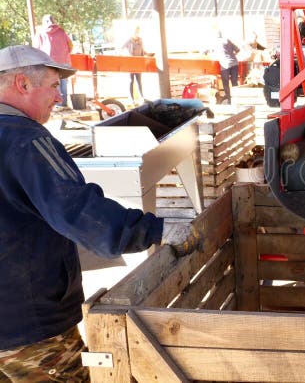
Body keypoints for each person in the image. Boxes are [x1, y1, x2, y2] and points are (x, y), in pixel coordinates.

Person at [0, 45, 203, 381]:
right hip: (30, 326)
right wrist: (156, 230)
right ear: (22, 83)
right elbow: (77, 209)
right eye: (53, 86)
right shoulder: (27, 142)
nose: (60, 97)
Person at [33, 14, 72, 108]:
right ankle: (64, 104)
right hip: (64, 60)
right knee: (64, 82)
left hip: (49, 62)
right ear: (53, 21)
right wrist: (66, 53)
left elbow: (36, 49)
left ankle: (57, 104)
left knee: (54, 83)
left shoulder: (40, 33)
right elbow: (70, 44)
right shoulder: (61, 31)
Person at [212, 30, 240, 104]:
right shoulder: (227, 40)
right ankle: (236, 100)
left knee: (225, 83)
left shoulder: (215, 42)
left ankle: (230, 101)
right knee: (234, 82)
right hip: (235, 63)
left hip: (225, 65)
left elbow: (206, 51)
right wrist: (231, 54)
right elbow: (237, 49)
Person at [121, 26, 146, 101]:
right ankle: (132, 98)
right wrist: (125, 57)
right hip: (130, 63)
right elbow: (121, 48)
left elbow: (143, 51)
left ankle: (142, 97)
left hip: (138, 63)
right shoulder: (129, 40)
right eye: (135, 31)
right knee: (131, 81)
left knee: (139, 81)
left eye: (138, 31)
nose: (137, 33)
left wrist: (148, 54)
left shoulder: (141, 40)